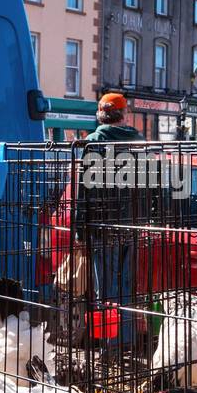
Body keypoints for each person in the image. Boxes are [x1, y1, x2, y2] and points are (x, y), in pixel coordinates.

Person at [79, 92, 142, 349]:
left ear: (100, 115)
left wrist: (79, 228)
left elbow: (85, 191)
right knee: (125, 285)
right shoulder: (138, 142)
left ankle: (110, 343)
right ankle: (125, 340)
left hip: (102, 224)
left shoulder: (93, 144)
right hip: (130, 223)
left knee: (104, 289)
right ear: (123, 115)